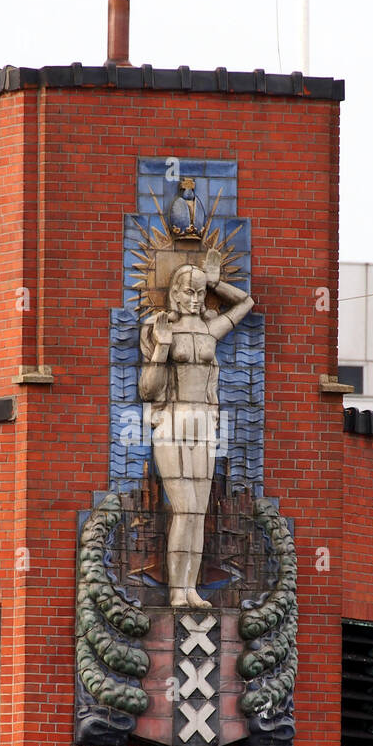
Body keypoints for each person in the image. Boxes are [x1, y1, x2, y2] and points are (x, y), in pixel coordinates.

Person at [139, 250, 255, 608]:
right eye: (187, 292)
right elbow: (148, 390)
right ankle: (176, 590)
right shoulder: (162, 329)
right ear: (174, 294)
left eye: (200, 293)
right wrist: (161, 349)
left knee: (199, 511)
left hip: (205, 423)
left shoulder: (210, 328)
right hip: (173, 420)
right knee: (184, 509)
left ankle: (190, 589)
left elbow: (247, 302)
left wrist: (217, 280)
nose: (194, 299)